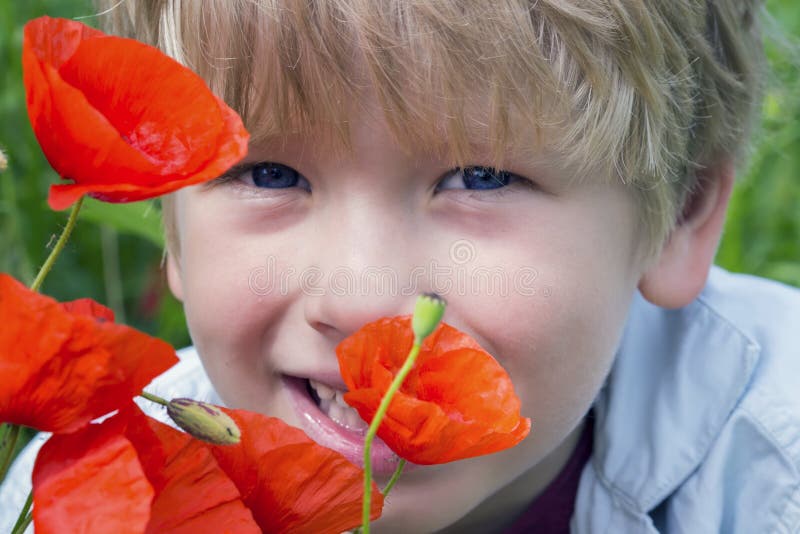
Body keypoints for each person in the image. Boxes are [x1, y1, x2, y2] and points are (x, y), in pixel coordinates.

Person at [3, 1, 799, 532]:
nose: (361, 298)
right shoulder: (86, 488)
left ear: (683, 215)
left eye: (482, 178)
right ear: (170, 224)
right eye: (271, 174)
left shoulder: (773, 478)